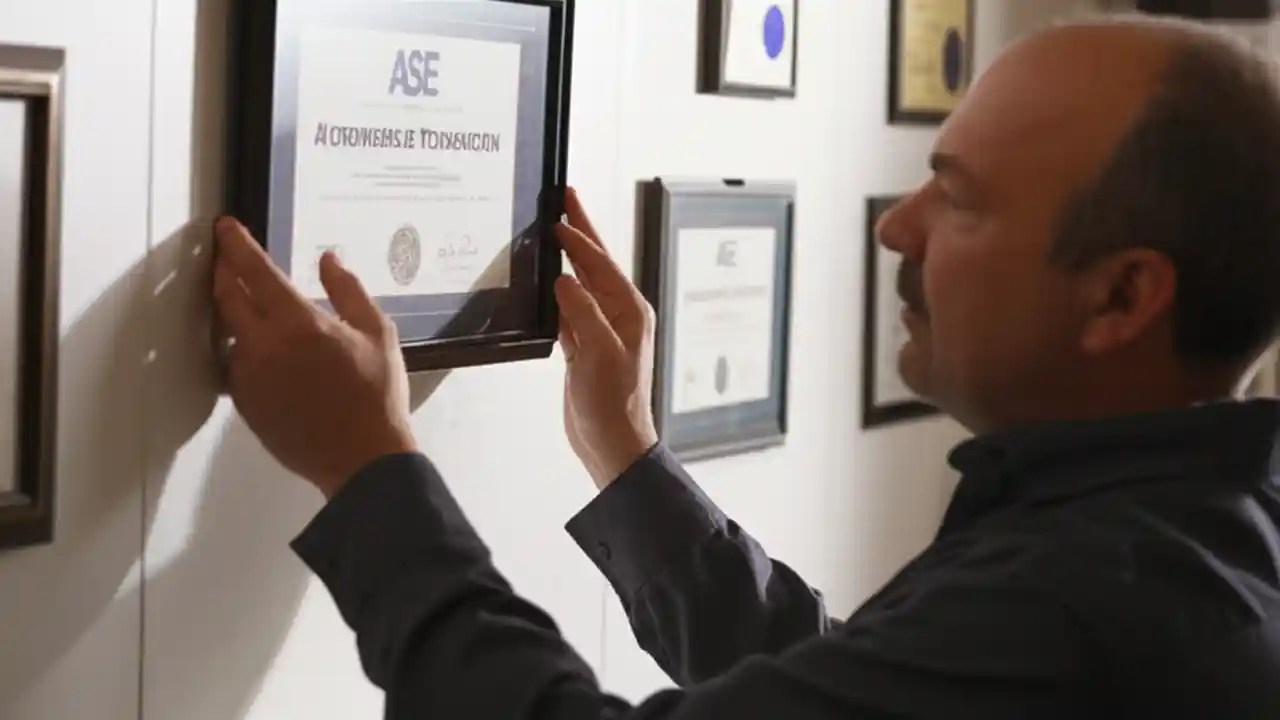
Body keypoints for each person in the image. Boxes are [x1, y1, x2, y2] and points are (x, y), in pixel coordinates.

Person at [211, 15, 1280, 719]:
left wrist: (369, 473)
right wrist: (628, 459)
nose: (896, 227)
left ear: (1121, 297)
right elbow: (850, 685)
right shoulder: (1186, 531)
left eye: (956, 198)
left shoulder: (1098, 612)